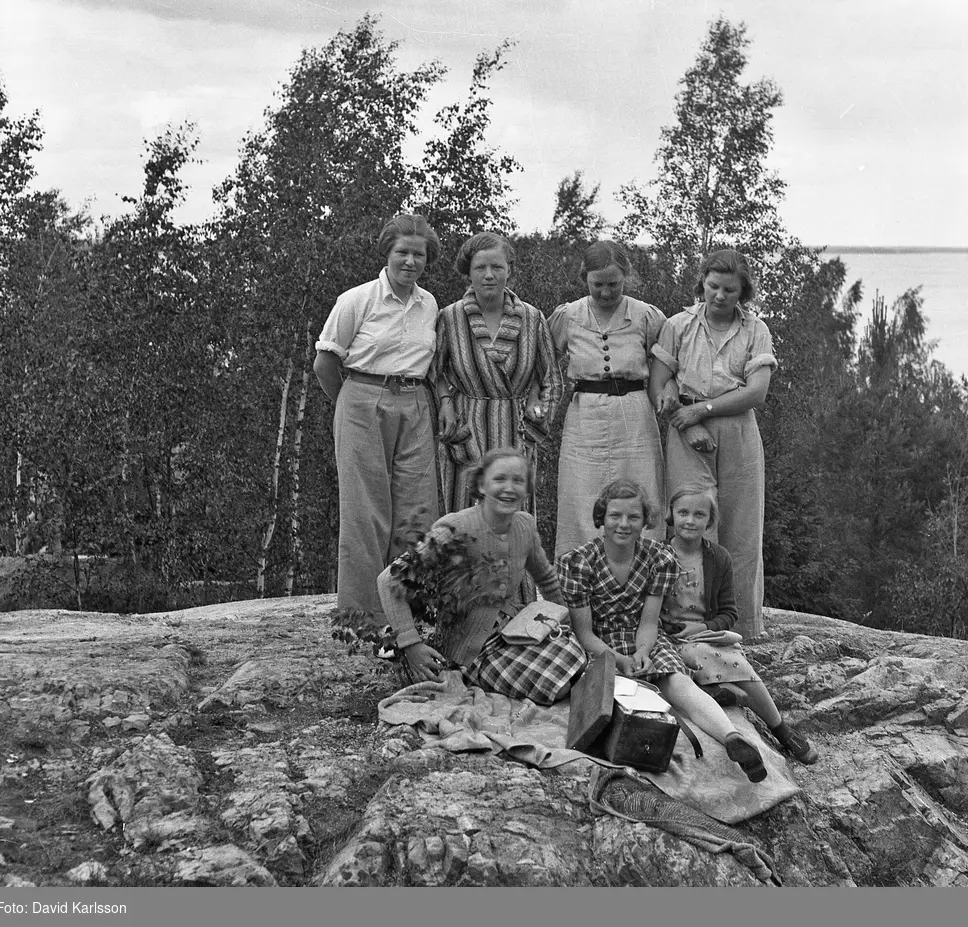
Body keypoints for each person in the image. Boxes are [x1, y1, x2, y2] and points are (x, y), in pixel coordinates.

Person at [556, 479, 768, 783]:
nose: (624, 524)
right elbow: (584, 633)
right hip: (601, 644)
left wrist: (643, 652)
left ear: (646, 521)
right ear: (601, 518)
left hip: (645, 638)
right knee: (619, 696)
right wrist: (621, 660)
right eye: (615, 515)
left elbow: (648, 622)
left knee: (678, 682)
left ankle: (732, 737)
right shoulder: (578, 563)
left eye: (633, 517)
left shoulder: (658, 558)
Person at [378, 447, 586, 705]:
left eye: (518, 481)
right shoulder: (457, 528)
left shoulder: (524, 526)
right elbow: (389, 579)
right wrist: (411, 644)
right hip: (470, 651)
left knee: (576, 660)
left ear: (527, 489)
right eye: (499, 479)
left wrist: (567, 626)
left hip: (515, 631)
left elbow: (547, 579)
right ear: (481, 485)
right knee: (556, 683)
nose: (509, 488)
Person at [314, 214, 441, 623]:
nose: (410, 262)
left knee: (417, 508)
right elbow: (324, 364)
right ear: (387, 252)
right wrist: (351, 407)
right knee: (365, 512)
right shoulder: (357, 299)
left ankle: (412, 611)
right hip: (362, 400)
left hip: (415, 403)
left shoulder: (429, 304)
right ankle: (363, 618)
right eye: (402, 252)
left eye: (419, 254)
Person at [650, 249, 776, 639]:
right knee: (690, 523)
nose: (720, 296)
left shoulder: (756, 330)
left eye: (730, 290)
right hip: (686, 431)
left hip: (737, 429)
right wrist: (686, 423)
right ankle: (684, 623)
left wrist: (702, 411)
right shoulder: (678, 325)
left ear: (743, 293)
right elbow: (659, 383)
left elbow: (756, 392)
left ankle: (741, 627)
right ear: (702, 282)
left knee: (741, 528)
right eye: (713, 286)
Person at [663, 487, 819, 764]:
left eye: (699, 515)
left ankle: (781, 729)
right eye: (683, 512)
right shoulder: (657, 555)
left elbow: (728, 613)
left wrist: (701, 628)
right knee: (694, 656)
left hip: (706, 634)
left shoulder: (718, 558)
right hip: (670, 638)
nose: (690, 520)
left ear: (710, 521)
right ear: (671, 514)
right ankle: (717, 693)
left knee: (737, 663)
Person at [547, 241, 667, 557]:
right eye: (597, 284)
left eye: (613, 284)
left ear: (626, 276)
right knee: (581, 495)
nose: (605, 292)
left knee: (641, 490)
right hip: (584, 415)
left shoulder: (646, 316)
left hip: (635, 415)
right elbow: (544, 363)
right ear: (584, 278)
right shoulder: (568, 316)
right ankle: (579, 574)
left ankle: (644, 572)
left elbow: (667, 363)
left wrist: (666, 393)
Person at [433, 232, 563, 515]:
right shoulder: (450, 317)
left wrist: (533, 431)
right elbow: (434, 372)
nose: (489, 275)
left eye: (497, 267)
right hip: (468, 432)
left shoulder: (531, 318)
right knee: (464, 519)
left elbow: (551, 379)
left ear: (509, 270)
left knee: (513, 517)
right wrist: (445, 404)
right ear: (468, 272)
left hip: (516, 432)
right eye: (480, 268)